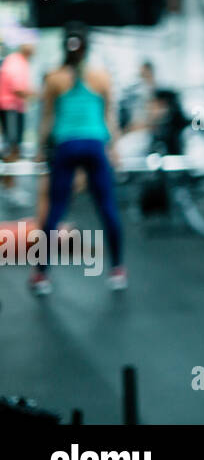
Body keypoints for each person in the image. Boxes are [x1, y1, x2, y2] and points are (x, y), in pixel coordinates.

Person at [28, 25, 125, 296]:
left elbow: (47, 119)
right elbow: (109, 117)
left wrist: (39, 148)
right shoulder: (101, 77)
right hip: (95, 145)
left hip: (67, 146)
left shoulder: (54, 78)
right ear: (87, 48)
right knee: (107, 207)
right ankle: (117, 269)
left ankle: (41, 275)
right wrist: (114, 148)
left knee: (56, 208)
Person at [0, 36, 38, 164]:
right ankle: (11, 160)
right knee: (13, 137)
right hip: (10, 104)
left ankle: (12, 158)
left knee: (13, 135)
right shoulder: (16, 61)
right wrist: (34, 95)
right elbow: (17, 87)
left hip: (15, 104)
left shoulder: (20, 61)